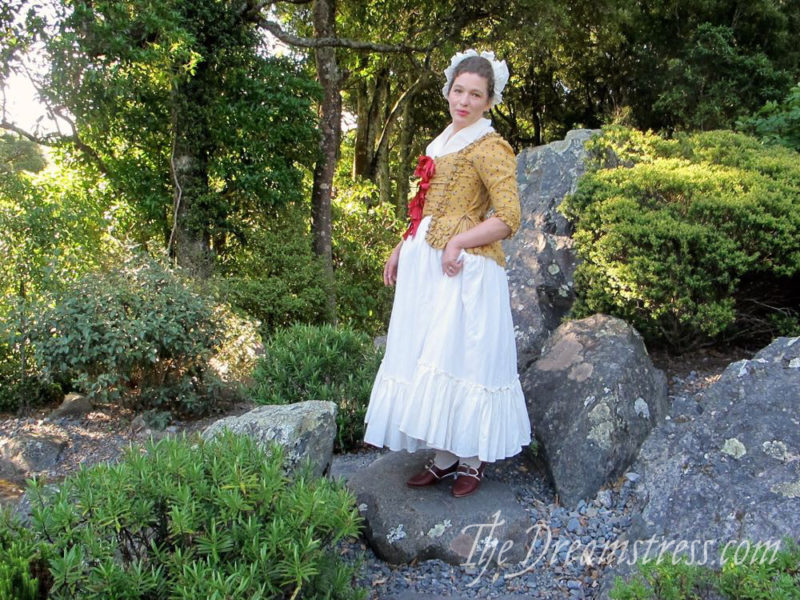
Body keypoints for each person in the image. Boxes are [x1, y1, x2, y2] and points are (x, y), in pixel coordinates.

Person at [363, 49, 531, 498]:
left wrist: (458, 241)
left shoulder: (490, 146)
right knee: (429, 355)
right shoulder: (442, 141)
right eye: (459, 90)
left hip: (464, 270)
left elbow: (510, 217)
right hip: (426, 266)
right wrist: (403, 245)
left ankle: (472, 461)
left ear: (489, 101)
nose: (464, 100)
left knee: (462, 356)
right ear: (448, 91)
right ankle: (443, 457)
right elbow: (425, 209)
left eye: (475, 94)